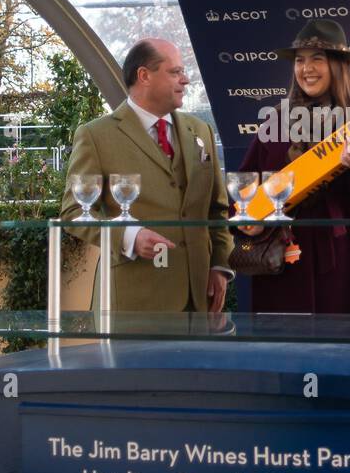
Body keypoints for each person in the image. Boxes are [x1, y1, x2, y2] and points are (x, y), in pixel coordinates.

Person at [237, 19, 350, 314]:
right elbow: (243, 188)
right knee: (287, 354)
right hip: (286, 261)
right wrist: (247, 217)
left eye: (317, 59)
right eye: (300, 60)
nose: (306, 68)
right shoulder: (275, 120)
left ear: (340, 65)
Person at [61, 39, 233, 312]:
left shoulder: (200, 131)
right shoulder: (96, 136)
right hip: (133, 305)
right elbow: (73, 212)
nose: (185, 80)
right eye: (175, 72)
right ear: (144, 76)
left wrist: (220, 265)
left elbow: (217, 209)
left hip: (201, 301)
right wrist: (129, 236)